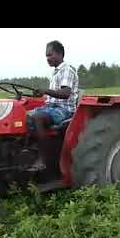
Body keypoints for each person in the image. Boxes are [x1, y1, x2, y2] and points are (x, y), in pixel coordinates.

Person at [27, 40, 79, 171]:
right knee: (24, 115)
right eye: (46, 56)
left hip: (64, 110)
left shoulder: (67, 70)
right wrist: (40, 94)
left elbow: (65, 93)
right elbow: (52, 96)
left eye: (50, 55)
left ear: (60, 54)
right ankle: (29, 151)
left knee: (37, 117)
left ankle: (44, 159)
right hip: (52, 107)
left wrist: (46, 90)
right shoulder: (56, 72)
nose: (48, 58)